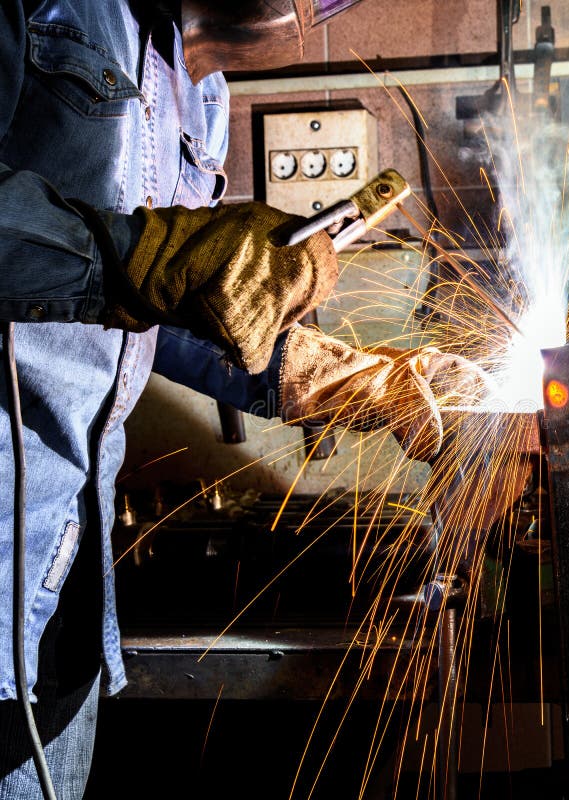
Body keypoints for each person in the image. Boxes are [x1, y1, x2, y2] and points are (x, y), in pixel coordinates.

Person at [0, 1, 489, 796]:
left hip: (64, 584)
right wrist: (148, 255)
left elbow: (173, 303)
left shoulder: (206, 97)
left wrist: (341, 380)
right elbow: (144, 270)